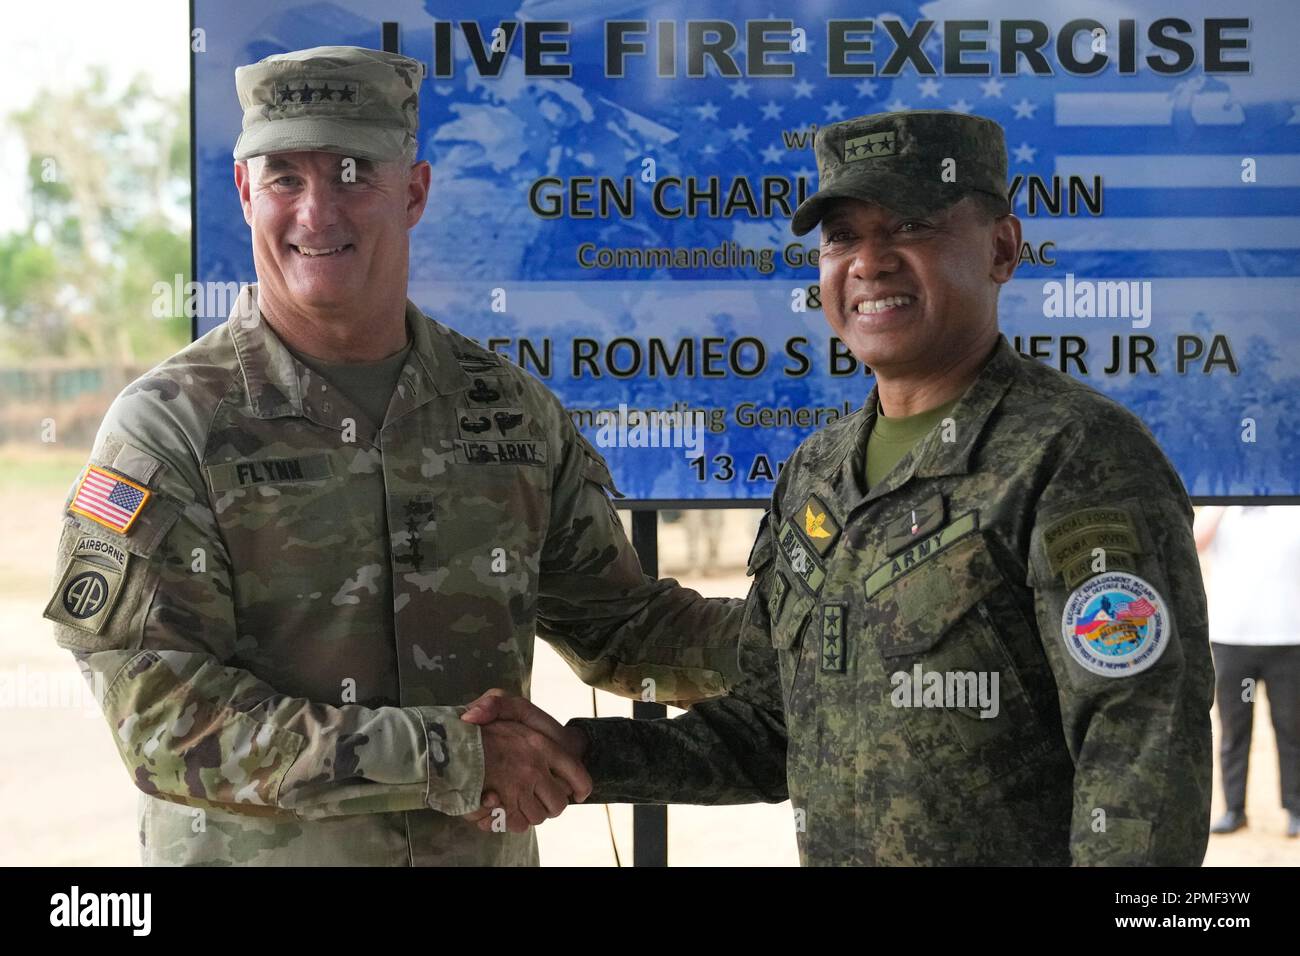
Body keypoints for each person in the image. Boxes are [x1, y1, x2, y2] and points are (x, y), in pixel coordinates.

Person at [43, 46, 742, 866]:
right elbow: (161, 719)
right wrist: (453, 757)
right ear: (244, 194)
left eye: (351, 174)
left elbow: (624, 628)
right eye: (284, 179)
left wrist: (807, 639)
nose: (316, 214)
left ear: (412, 192)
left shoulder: (508, 412)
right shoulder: (170, 430)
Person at [467, 110, 1215, 865]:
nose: (870, 262)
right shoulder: (817, 474)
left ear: (1002, 248)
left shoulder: (1076, 457)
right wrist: (575, 754)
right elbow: (772, 729)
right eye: (841, 238)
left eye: (912, 226)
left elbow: (1143, 760)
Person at [1195, 506, 1300, 838]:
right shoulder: (1221, 512)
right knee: (1233, 731)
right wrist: (1224, 500)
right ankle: (1234, 808)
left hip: (1288, 639)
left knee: (1291, 729)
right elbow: (1194, 541)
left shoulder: (1293, 510)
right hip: (1232, 641)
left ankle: (1295, 807)